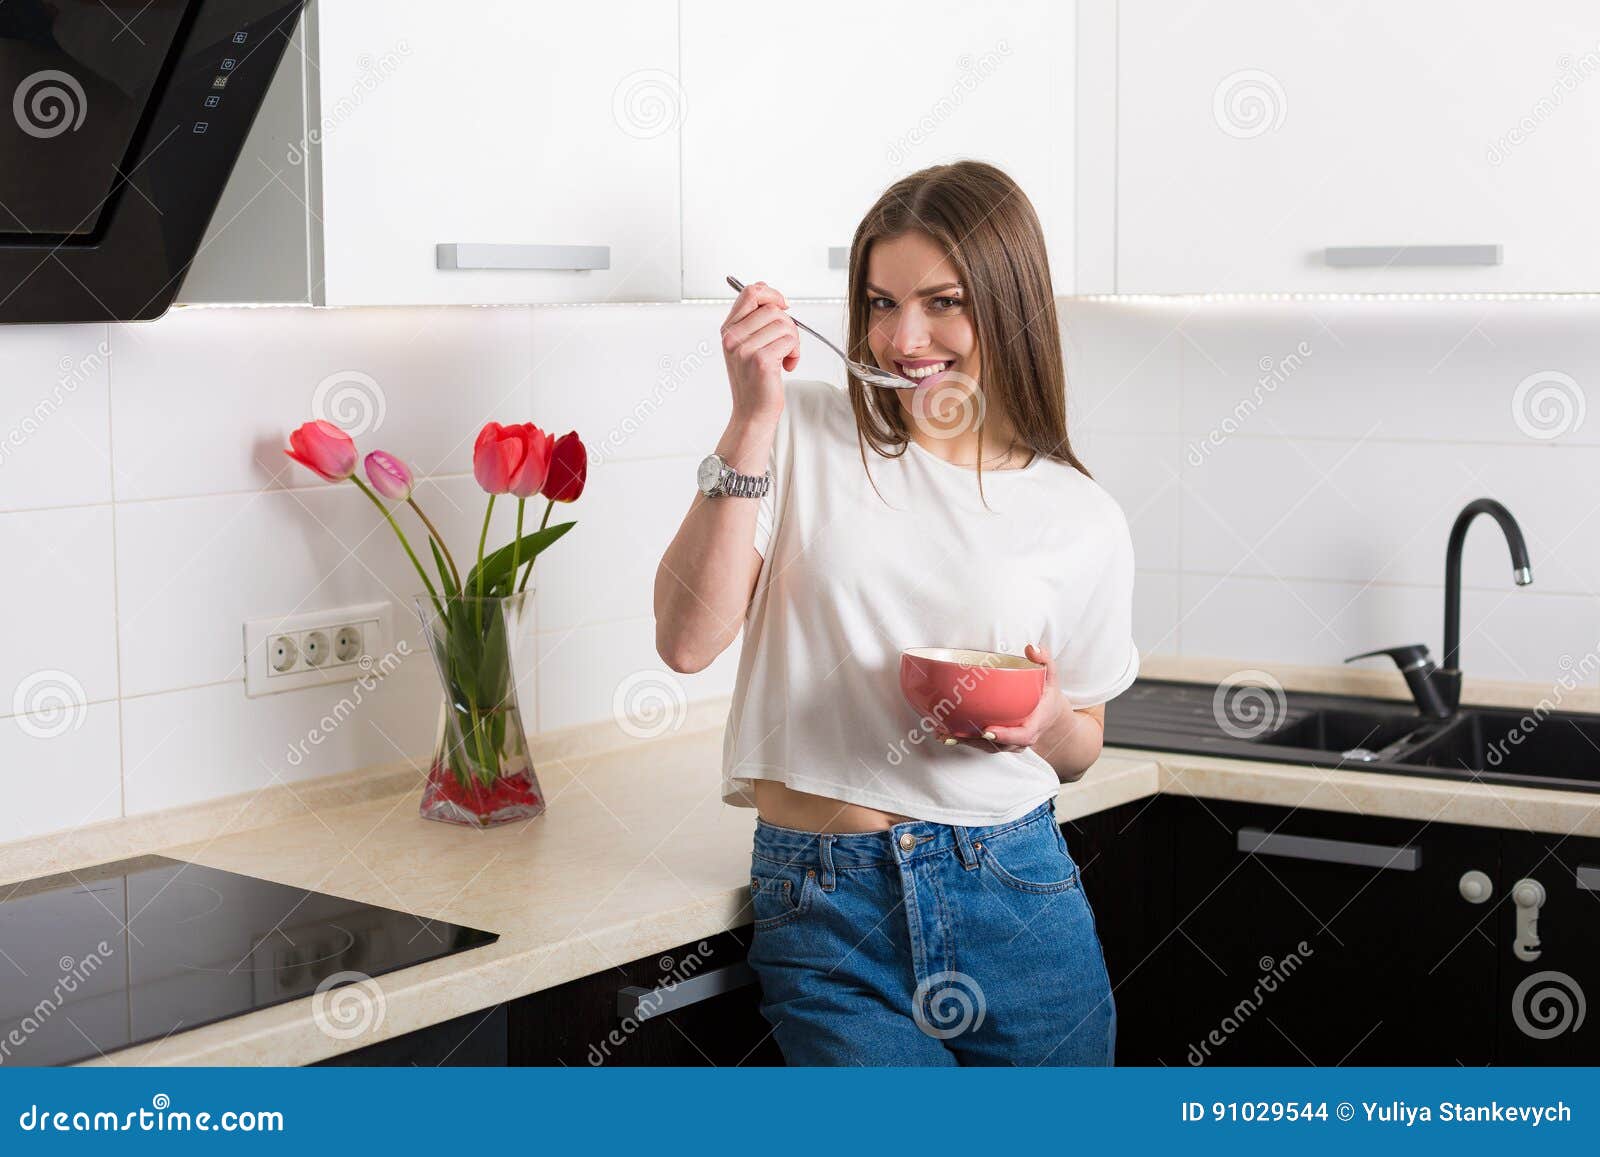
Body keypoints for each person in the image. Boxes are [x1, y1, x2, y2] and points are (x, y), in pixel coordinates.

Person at [652, 160, 1139, 1066]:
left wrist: (1047, 717)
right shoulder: (797, 428)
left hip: (1016, 892)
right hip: (828, 902)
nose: (904, 337)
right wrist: (749, 418)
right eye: (879, 304)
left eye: (941, 301)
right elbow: (686, 639)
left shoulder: (1081, 513)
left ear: (1010, 302)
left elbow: (1083, 747)